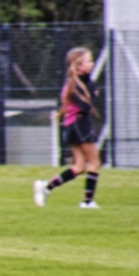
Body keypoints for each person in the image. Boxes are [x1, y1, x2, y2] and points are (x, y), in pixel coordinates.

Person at [35, 47, 102, 210]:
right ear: (78, 65)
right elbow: (84, 107)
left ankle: (45, 187)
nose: (92, 64)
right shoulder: (74, 86)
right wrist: (93, 96)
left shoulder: (83, 82)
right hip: (79, 125)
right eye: (88, 61)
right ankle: (87, 202)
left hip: (72, 126)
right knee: (94, 162)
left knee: (79, 167)